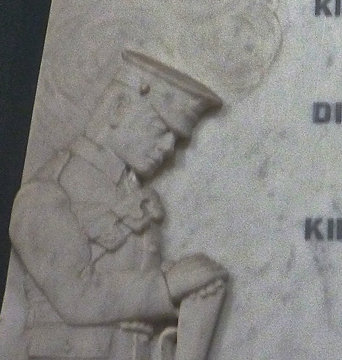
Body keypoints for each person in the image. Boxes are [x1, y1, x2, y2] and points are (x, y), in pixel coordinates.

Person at [9, 50, 228, 360]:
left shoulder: (127, 194)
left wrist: (189, 286)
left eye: (176, 139)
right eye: (162, 130)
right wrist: (166, 286)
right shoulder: (47, 191)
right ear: (118, 108)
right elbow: (73, 295)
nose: (168, 148)